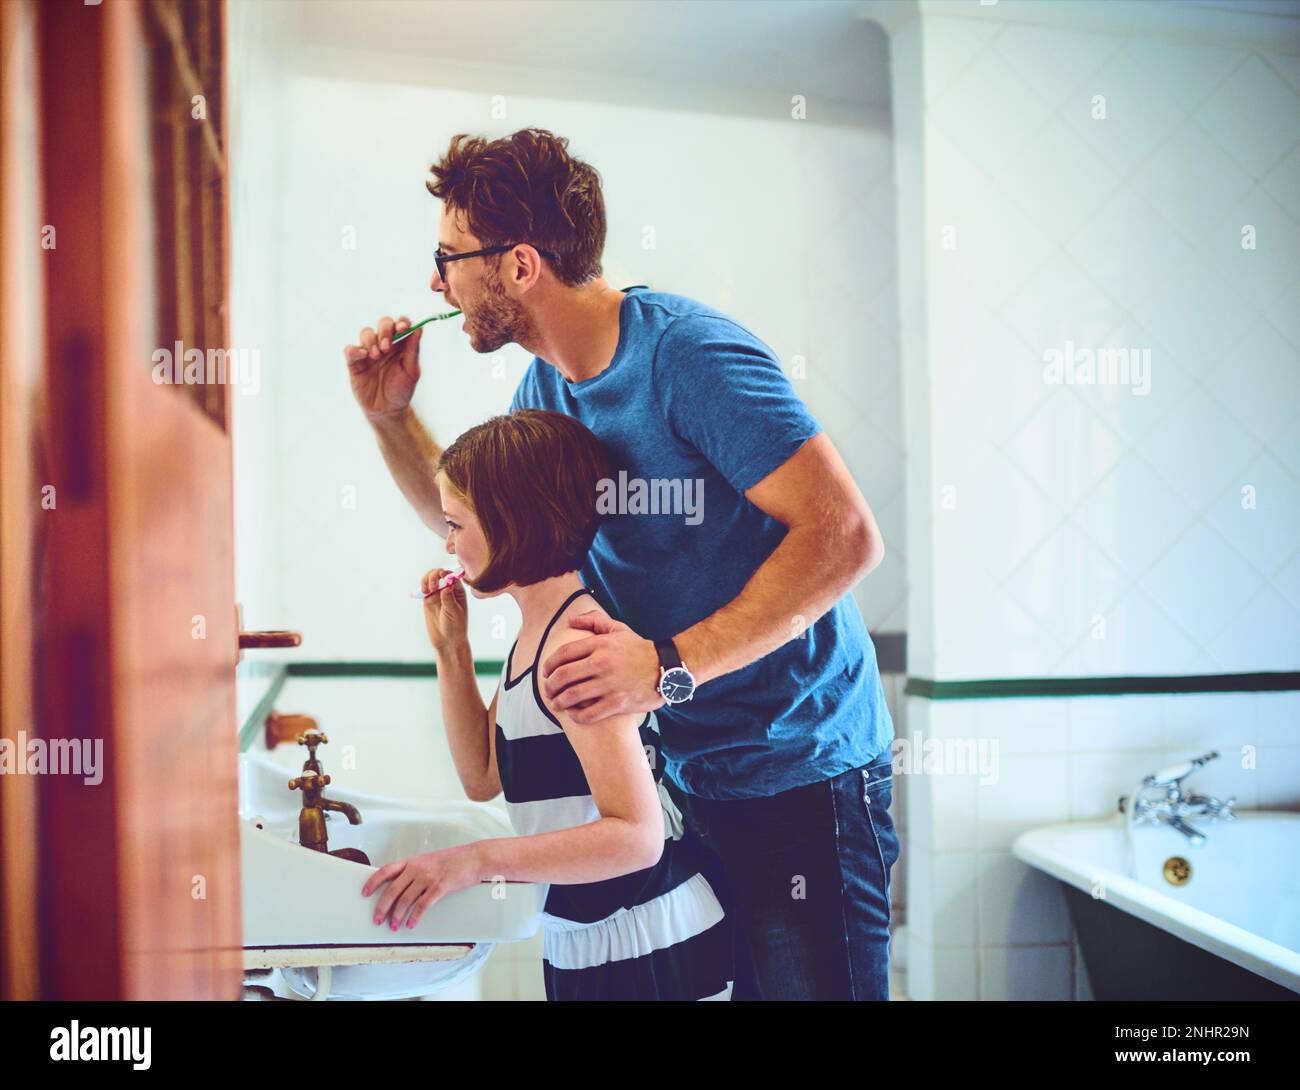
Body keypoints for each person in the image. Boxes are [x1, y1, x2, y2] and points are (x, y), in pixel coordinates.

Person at [346, 127, 898, 1000]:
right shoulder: (545, 392)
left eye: (449, 256)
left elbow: (846, 536)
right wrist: (389, 419)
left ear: (519, 265)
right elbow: (478, 530)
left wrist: (668, 666)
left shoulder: (688, 355)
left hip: (803, 773)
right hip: (686, 777)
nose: (434, 281)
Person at [362, 410, 734, 1001]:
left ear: (512, 523)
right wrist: (451, 651)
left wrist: (475, 861)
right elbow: (481, 776)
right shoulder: (532, 642)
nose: (449, 542)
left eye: (456, 524)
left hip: (648, 943)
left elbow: (637, 838)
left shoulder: (574, 649)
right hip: (591, 935)